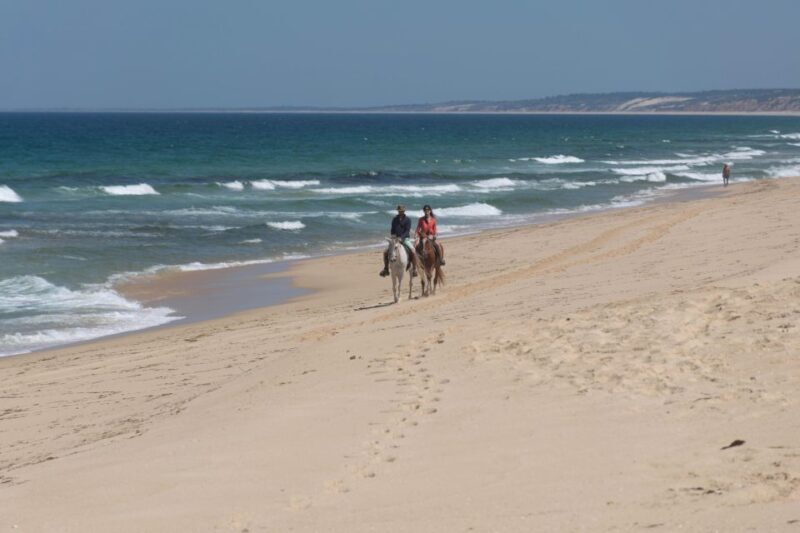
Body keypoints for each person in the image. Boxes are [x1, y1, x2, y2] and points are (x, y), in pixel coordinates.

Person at [380, 204, 417, 277]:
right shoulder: (394, 219)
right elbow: (392, 229)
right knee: (385, 252)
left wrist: (401, 238)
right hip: (395, 239)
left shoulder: (408, 220)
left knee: (413, 251)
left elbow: (407, 230)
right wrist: (393, 236)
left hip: (405, 239)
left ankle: (414, 269)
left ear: (404, 211)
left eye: (402, 211)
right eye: (399, 211)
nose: (400, 212)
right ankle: (386, 269)